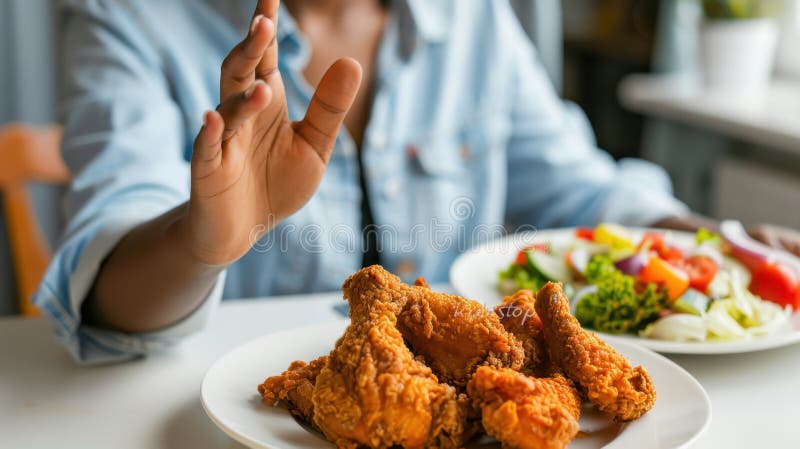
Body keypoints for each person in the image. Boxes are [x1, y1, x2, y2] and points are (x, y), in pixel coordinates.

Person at [35, 0, 800, 364]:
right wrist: (200, 242)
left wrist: (710, 240)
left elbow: (582, 192)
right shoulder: (127, 19)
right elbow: (106, 295)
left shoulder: (472, 18)